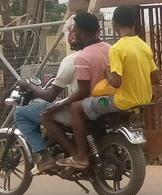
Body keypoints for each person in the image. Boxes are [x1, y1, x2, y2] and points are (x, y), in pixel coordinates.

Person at [57, 5, 157, 170]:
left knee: (75, 107)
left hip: (119, 101)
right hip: (144, 99)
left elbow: (116, 82)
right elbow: (155, 77)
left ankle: (80, 156)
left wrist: (108, 72)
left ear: (115, 23)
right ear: (134, 23)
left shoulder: (117, 48)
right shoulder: (144, 46)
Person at [39, 12, 111, 166]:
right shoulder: (110, 49)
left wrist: (57, 106)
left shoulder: (82, 57)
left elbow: (83, 91)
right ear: (97, 30)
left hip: (90, 105)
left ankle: (78, 155)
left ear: (79, 31)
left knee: (47, 116)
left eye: (75, 29)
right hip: (106, 101)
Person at [12, 20, 82, 173]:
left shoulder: (72, 60)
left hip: (76, 110)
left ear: (73, 35)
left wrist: (29, 85)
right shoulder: (106, 51)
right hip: (96, 105)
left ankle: (45, 157)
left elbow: (50, 96)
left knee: (21, 113)